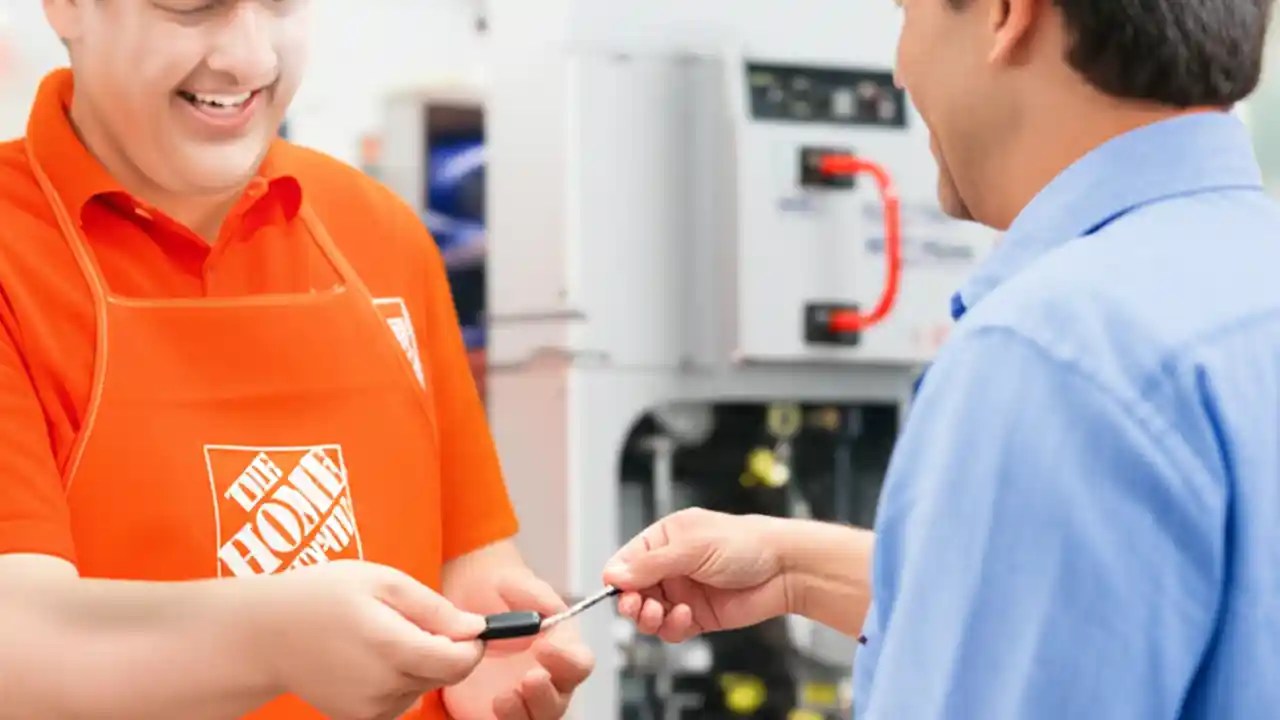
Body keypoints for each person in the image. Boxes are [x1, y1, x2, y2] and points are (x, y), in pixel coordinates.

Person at [606, 0, 1280, 717]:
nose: (898, 70)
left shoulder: (1050, 358)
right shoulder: (1245, 290)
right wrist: (794, 566)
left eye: (906, 13)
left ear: (1004, 14)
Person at [0, 1, 591, 719]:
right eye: (193, 5)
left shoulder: (379, 233)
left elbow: (471, 560)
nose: (251, 58)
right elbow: (18, 640)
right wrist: (275, 643)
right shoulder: (14, 251)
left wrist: (493, 647)